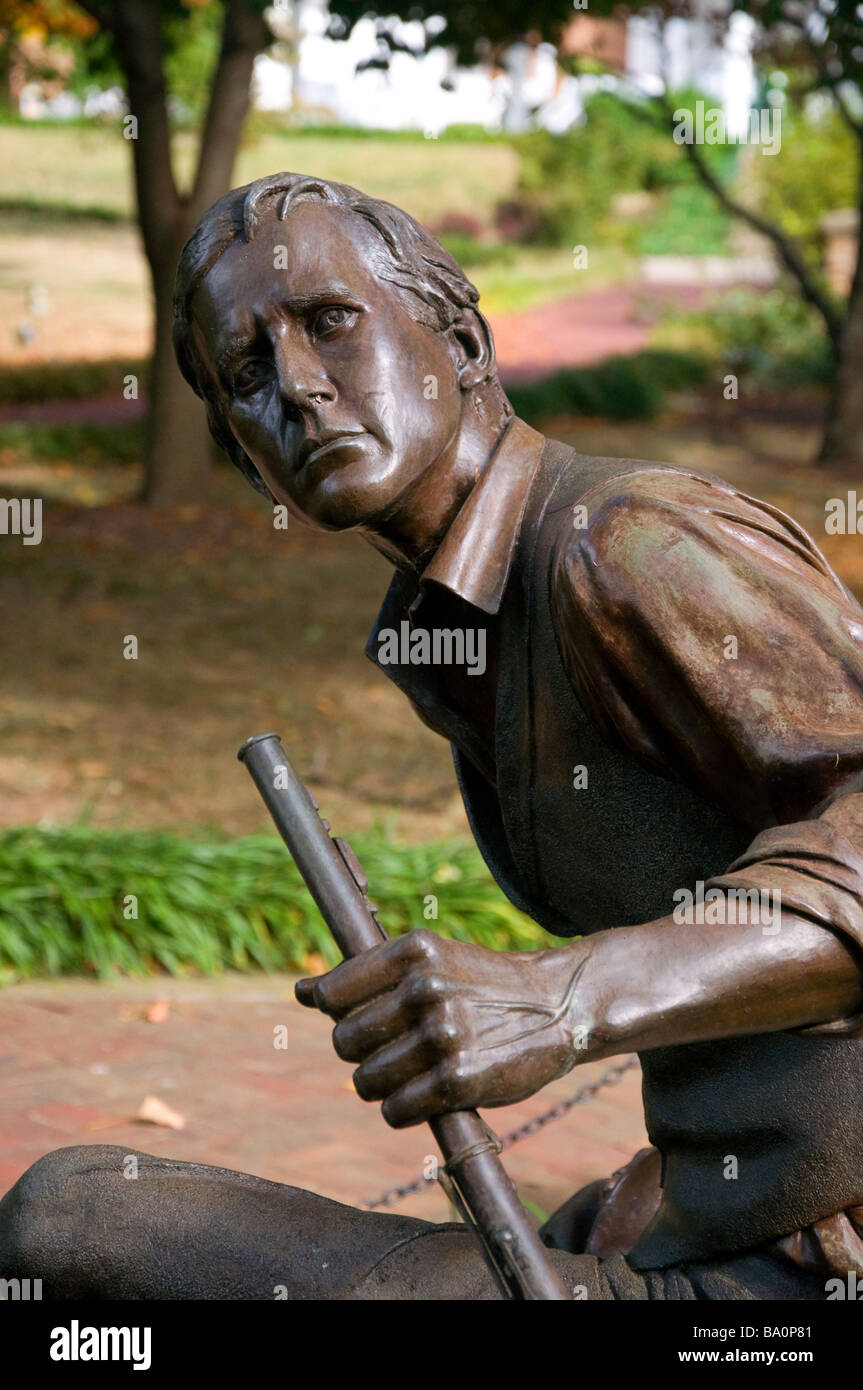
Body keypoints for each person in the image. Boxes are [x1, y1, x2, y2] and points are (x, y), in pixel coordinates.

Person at [4, 172, 863, 1300]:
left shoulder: (619, 543)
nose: (299, 391)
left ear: (456, 336)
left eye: (327, 322)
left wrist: (560, 999)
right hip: (723, 1224)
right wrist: (671, 1182)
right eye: (245, 377)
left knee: (72, 1221)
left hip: (798, 1277)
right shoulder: (448, 629)